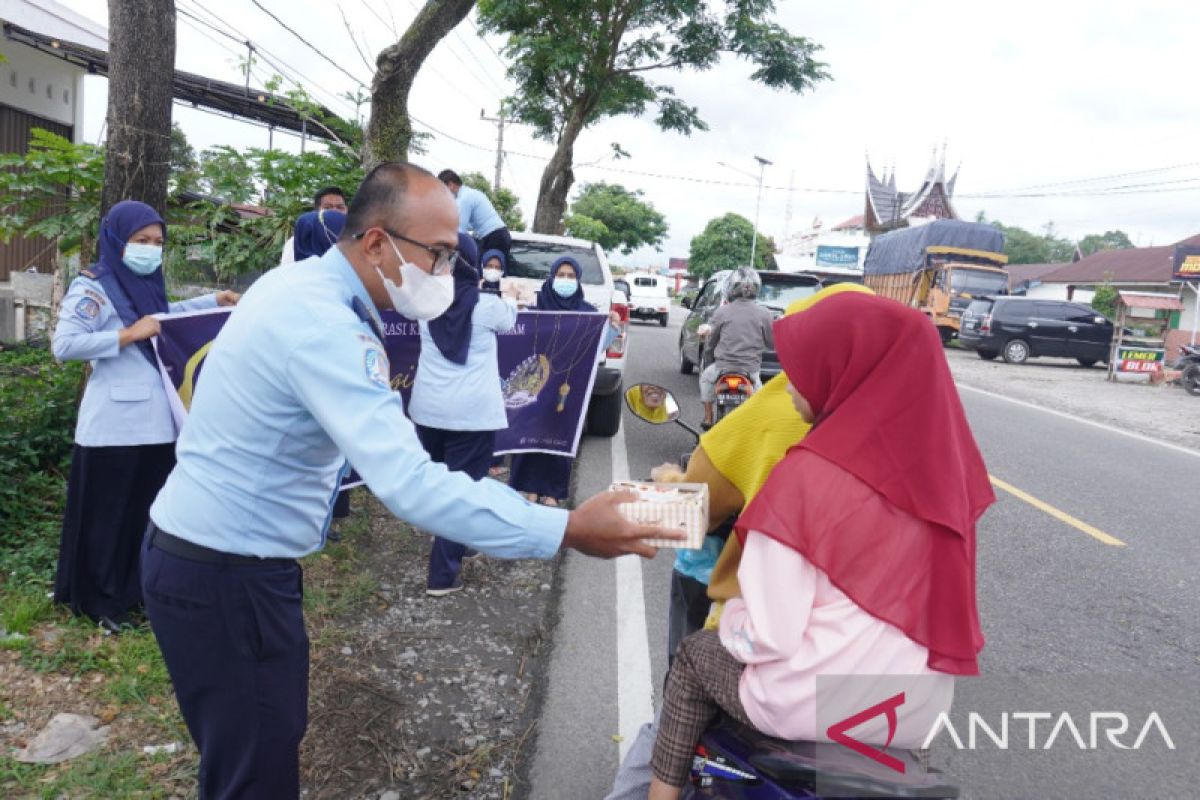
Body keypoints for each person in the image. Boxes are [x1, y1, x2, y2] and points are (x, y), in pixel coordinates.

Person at [141, 163, 674, 798]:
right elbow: (411, 484)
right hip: (226, 573)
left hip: (221, 559)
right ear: (376, 243)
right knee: (254, 767)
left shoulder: (301, 290)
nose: (448, 271)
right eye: (440, 254)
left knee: (252, 750)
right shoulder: (323, 323)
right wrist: (569, 527)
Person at [647, 292, 994, 799]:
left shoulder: (804, 473)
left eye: (804, 367)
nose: (788, 384)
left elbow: (769, 634)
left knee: (696, 657)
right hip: (914, 708)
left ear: (843, 366)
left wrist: (736, 619)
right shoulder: (950, 477)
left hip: (806, 700)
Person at [605, 283, 873, 800]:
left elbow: (693, 509)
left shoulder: (780, 413)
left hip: (774, 655)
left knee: (682, 690)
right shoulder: (919, 437)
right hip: (876, 674)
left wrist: (640, 497)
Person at [50, 200, 238, 632]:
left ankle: (134, 594)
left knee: (145, 517)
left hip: (157, 424)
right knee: (107, 521)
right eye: (141, 241)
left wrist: (214, 300)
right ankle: (99, 604)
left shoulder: (147, 285)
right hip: (113, 430)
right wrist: (127, 334)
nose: (150, 249)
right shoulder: (95, 287)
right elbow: (65, 345)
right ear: (118, 241)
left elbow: (164, 316)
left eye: (157, 242)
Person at [409, 233, 518, 596]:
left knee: (440, 485)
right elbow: (510, 316)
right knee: (464, 493)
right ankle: (442, 574)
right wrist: (511, 295)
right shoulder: (487, 307)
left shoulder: (424, 302)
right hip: (472, 417)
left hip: (427, 411)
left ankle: (459, 541)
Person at [507, 256, 619, 506]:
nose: (565, 280)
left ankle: (553, 491)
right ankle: (528, 487)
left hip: (567, 386)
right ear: (552, 276)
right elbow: (518, 337)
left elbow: (595, 346)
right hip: (534, 384)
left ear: (578, 280)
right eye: (561, 274)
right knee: (529, 433)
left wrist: (611, 326)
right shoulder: (536, 309)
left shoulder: (587, 313)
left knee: (560, 435)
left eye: (571, 276)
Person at [698, 267, 774, 430]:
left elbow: (711, 341)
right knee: (758, 402)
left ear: (732, 287)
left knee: (705, 378)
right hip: (751, 371)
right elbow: (771, 343)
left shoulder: (722, 311)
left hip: (722, 368)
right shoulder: (765, 313)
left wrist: (709, 354)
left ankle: (709, 417)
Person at [437, 169, 511, 261]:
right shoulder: (470, 193)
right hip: (497, 235)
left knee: (489, 271)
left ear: (451, 185)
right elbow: (466, 225)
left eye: (443, 189)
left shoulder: (464, 199)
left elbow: (460, 231)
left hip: (494, 237)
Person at [280, 186, 351, 265]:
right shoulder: (298, 241)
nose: (334, 212)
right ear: (317, 211)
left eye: (340, 207)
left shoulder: (357, 240)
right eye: (327, 208)